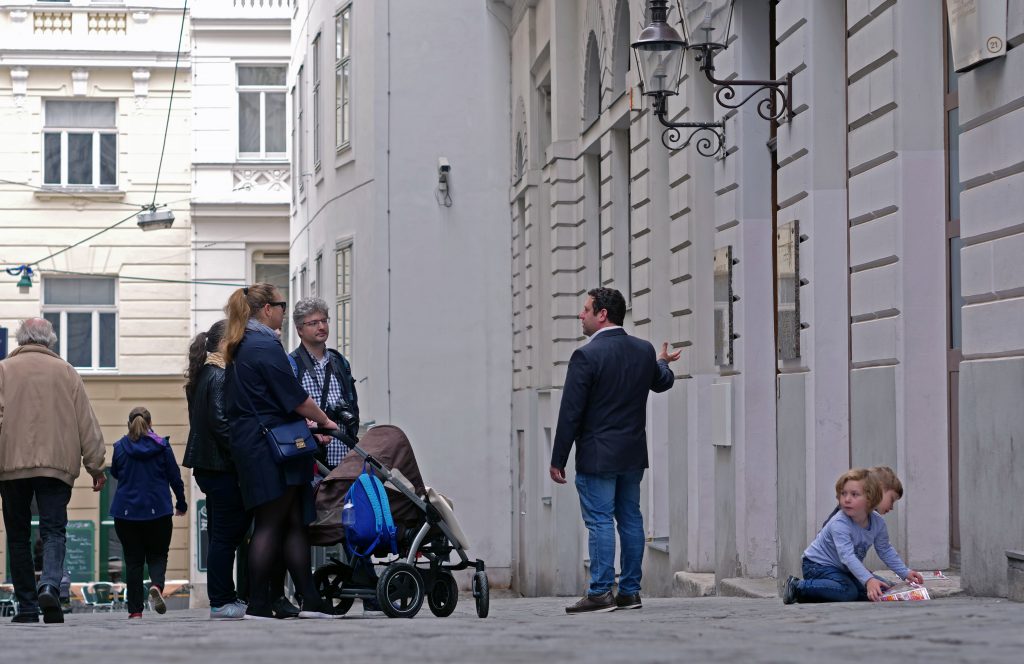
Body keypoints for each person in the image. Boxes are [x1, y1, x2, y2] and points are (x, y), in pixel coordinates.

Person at [549, 287, 680, 614]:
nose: (581, 315)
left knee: (600, 521)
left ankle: (600, 592)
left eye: (586, 309)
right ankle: (630, 592)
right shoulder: (642, 350)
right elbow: (662, 381)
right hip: (632, 454)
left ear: (602, 314)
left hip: (597, 456)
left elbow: (570, 412)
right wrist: (662, 362)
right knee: (631, 519)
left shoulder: (586, 356)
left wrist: (558, 458)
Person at [222, 283, 340, 619]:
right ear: (266, 309)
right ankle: (259, 602)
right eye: (282, 305)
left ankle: (309, 599)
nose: (284, 312)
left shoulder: (242, 343)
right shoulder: (263, 345)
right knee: (272, 524)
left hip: (260, 444)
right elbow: (294, 396)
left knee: (291, 523)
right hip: (274, 448)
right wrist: (325, 421)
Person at [0, 318, 106, 624]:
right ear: (50, 340)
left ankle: (27, 607)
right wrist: (96, 465)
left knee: (18, 536)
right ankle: (49, 586)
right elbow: (86, 421)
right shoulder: (66, 371)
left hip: (11, 465)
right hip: (56, 466)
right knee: (54, 531)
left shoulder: (3, 370)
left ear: (21, 339)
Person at [183, 320, 250, 620]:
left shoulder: (204, 374)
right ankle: (222, 600)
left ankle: (225, 597)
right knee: (226, 535)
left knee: (221, 534)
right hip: (221, 466)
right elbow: (221, 423)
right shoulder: (220, 375)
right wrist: (243, 455)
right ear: (225, 343)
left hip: (208, 466)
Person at [783, 468, 924, 604]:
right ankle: (797, 587)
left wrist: (905, 572)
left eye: (854, 494)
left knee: (881, 590)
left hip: (843, 569)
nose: (847, 499)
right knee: (848, 591)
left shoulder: (878, 522)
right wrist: (868, 580)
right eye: (843, 494)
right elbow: (847, 556)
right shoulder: (839, 523)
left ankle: (823, 592)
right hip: (817, 566)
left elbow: (885, 550)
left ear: (871, 497)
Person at [110, 407, 187, 619]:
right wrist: (181, 503)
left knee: (133, 561)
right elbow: (175, 478)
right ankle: (156, 586)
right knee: (158, 555)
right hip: (158, 512)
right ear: (150, 424)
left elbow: (115, 472)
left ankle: (135, 611)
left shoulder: (119, 447)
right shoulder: (162, 446)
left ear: (129, 424)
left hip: (126, 514)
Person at [289, 297, 360, 470]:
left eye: (324, 320)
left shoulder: (339, 362)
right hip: (311, 460)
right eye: (313, 323)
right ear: (299, 330)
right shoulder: (291, 365)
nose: (321, 327)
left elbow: (352, 404)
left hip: (345, 456)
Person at [820, 465, 903, 529]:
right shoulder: (851, 511)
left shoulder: (871, 518)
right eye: (892, 500)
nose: (892, 507)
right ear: (879, 488)